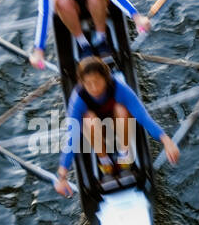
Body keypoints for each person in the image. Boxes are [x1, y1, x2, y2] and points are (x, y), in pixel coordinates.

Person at [54, 56, 179, 197]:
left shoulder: (119, 87)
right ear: (82, 83)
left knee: (121, 109)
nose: (94, 88)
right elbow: (72, 137)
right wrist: (62, 175)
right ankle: (105, 164)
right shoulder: (78, 98)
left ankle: (124, 159)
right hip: (94, 129)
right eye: (88, 84)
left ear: (106, 78)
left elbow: (143, 117)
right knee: (88, 119)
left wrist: (166, 140)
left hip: (116, 122)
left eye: (97, 82)